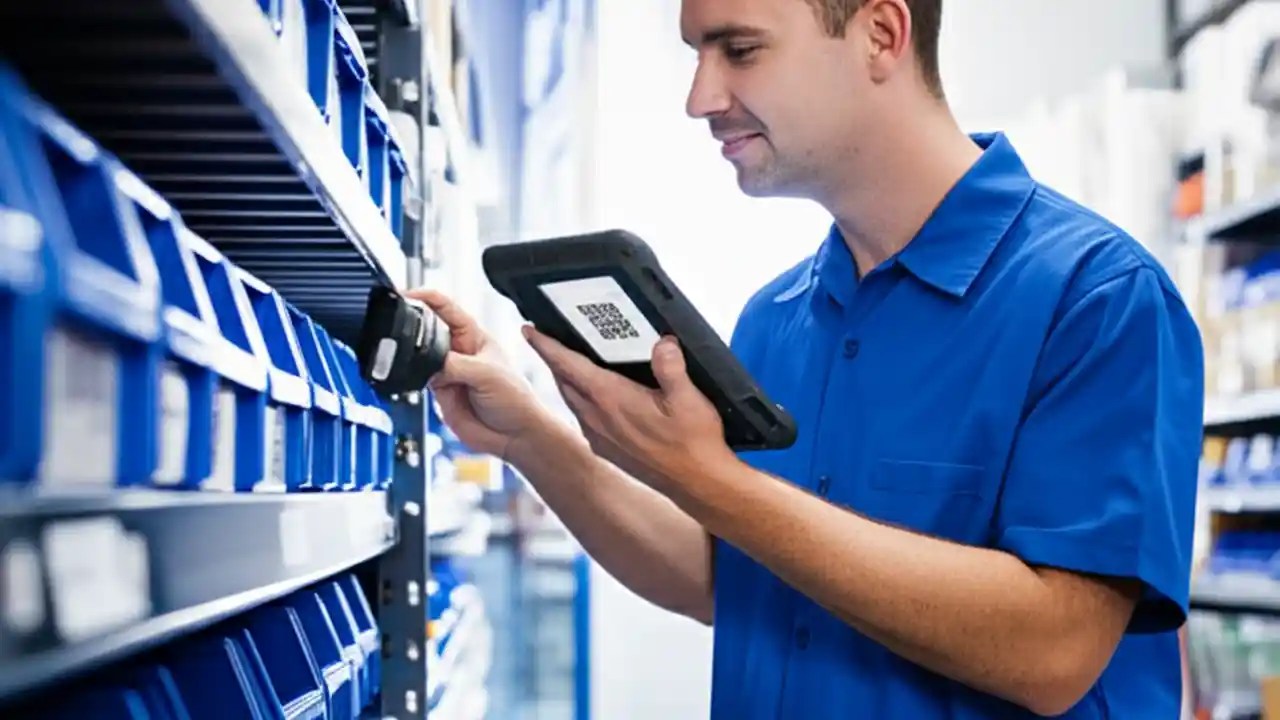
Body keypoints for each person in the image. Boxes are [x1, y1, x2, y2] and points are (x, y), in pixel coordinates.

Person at [413, 0, 1203, 717]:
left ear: (880, 35)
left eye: (740, 50)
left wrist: (706, 480)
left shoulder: (1097, 299)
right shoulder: (776, 318)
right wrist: (529, 440)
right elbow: (724, 578)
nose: (700, 98)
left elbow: (1055, 652)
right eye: (697, 53)